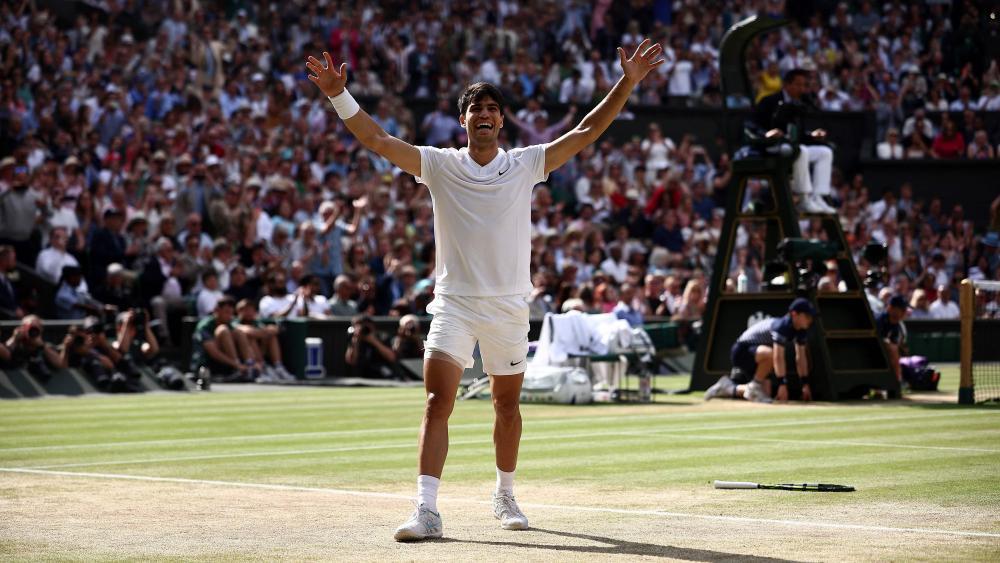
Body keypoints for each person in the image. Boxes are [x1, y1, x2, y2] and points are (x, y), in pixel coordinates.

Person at [306, 37, 665, 541]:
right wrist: (338, 96)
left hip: (509, 308)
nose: (485, 115)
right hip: (453, 305)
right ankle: (426, 509)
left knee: (506, 406)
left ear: (502, 122)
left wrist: (628, 81)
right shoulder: (438, 164)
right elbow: (381, 142)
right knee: (436, 401)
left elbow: (587, 130)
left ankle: (505, 494)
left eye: (493, 109)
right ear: (464, 121)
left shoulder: (526, 163)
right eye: (476, 108)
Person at [704, 298, 817, 403]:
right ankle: (753, 386)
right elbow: (778, 357)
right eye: (807, 316)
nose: (810, 319)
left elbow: (800, 358)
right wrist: (782, 385)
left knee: (764, 394)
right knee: (771, 354)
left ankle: (727, 387)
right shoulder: (782, 326)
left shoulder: (801, 330)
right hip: (741, 351)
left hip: (759, 356)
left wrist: (805, 384)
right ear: (794, 314)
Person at [754, 69, 836, 214]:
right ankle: (804, 199)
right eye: (798, 85)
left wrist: (812, 136)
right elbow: (754, 126)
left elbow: (798, 134)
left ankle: (818, 197)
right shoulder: (769, 101)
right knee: (801, 151)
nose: (802, 89)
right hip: (771, 147)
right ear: (786, 85)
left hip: (792, 148)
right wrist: (769, 134)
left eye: (804, 85)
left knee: (825, 153)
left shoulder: (799, 104)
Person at [190, 296, 260, 383]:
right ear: (217, 310)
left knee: (239, 332)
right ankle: (237, 369)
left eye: (231, 313)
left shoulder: (230, 324)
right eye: (226, 312)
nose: (229, 316)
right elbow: (213, 352)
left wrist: (255, 363)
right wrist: (237, 365)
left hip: (228, 363)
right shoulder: (205, 326)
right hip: (206, 363)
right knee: (223, 330)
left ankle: (250, 365)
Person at [233, 299, 296, 381]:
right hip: (242, 355)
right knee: (251, 337)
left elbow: (273, 330)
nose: (249, 312)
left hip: (261, 352)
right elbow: (250, 332)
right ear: (239, 311)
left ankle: (278, 367)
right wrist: (265, 331)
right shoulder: (235, 322)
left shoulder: (256, 323)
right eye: (246, 310)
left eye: (251, 310)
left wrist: (265, 332)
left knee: (271, 337)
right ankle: (260, 369)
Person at [3, 315, 65, 381]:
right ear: (22, 328)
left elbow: (60, 364)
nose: (33, 331)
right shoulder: (16, 345)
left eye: (36, 328)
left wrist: (42, 346)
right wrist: (14, 339)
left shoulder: (46, 347)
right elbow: (5, 353)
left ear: (41, 329)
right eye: (30, 327)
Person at [344, 314, 397, 379]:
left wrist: (374, 341)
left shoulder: (383, 337)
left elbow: (392, 358)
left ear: (372, 326)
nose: (362, 328)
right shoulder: (355, 339)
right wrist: (355, 342)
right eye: (358, 326)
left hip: (382, 375)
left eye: (365, 325)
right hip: (361, 376)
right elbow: (351, 361)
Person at [877, 295, 908, 382]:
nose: (904, 312)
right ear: (890, 308)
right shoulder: (880, 320)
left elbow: (894, 343)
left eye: (904, 310)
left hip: (882, 352)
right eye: (902, 309)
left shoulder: (896, 325)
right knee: (893, 349)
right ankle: (898, 381)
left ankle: (897, 380)